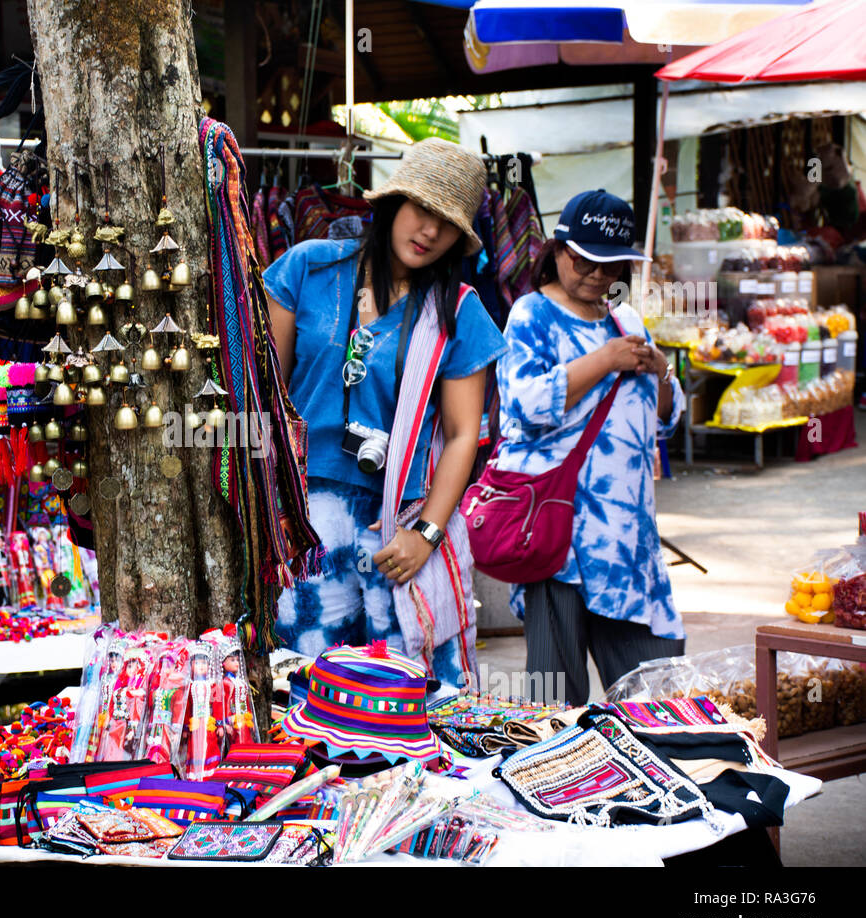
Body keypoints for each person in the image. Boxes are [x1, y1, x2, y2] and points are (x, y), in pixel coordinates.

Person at [264, 137, 506, 686]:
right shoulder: (309, 270)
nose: (429, 231)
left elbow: (465, 433)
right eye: (422, 210)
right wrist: (270, 511)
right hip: (303, 520)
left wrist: (426, 532)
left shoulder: (457, 313)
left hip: (392, 524)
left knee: (400, 700)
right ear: (392, 204)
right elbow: (267, 394)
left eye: (447, 223)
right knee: (303, 687)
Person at [494, 189, 686, 705]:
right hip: (560, 541)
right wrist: (604, 361)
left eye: (611, 263)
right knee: (554, 707)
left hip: (629, 544)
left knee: (658, 702)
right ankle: (559, 784)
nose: (599, 275)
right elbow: (524, 402)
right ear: (558, 250)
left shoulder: (627, 322)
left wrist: (662, 373)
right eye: (586, 259)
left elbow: (665, 423)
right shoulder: (532, 315)